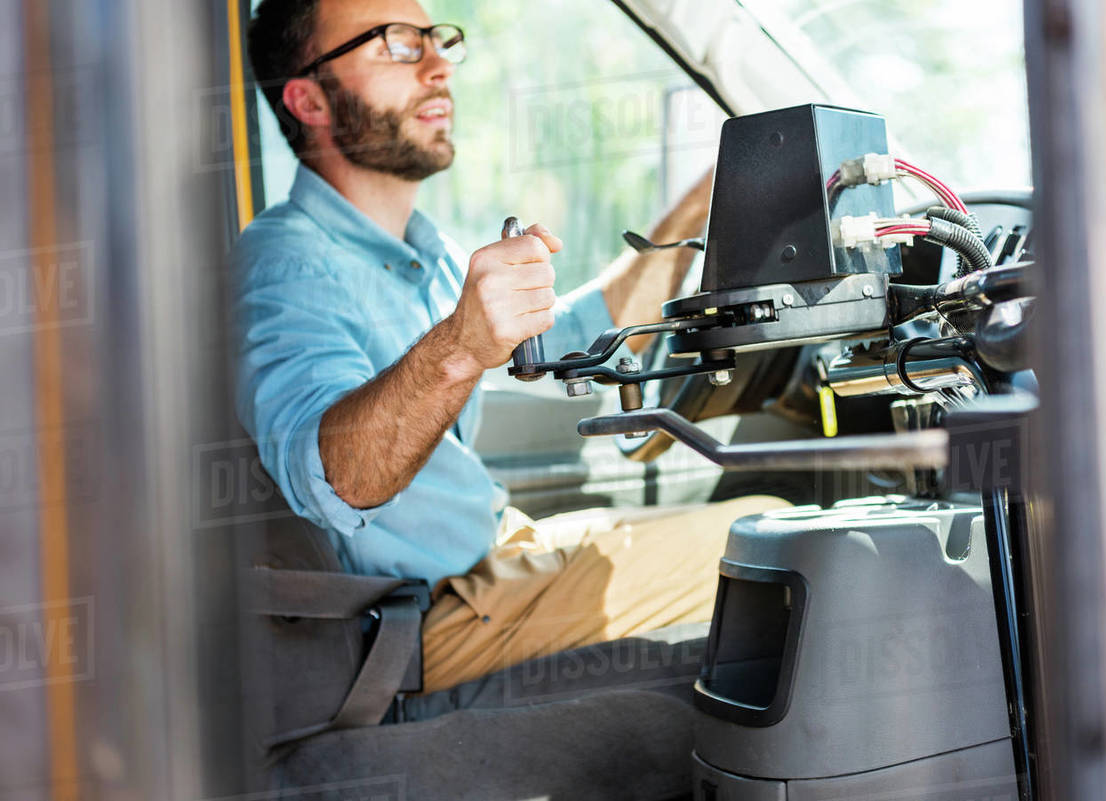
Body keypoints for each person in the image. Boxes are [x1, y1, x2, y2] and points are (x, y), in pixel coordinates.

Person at [236, 0, 785, 692]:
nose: (439, 67)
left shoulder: (415, 252)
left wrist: (692, 213)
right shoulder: (282, 266)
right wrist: (463, 345)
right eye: (398, 45)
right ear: (308, 99)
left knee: (766, 526)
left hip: (501, 555)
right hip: (427, 619)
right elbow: (332, 474)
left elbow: (557, 343)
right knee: (787, 550)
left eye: (437, 40)